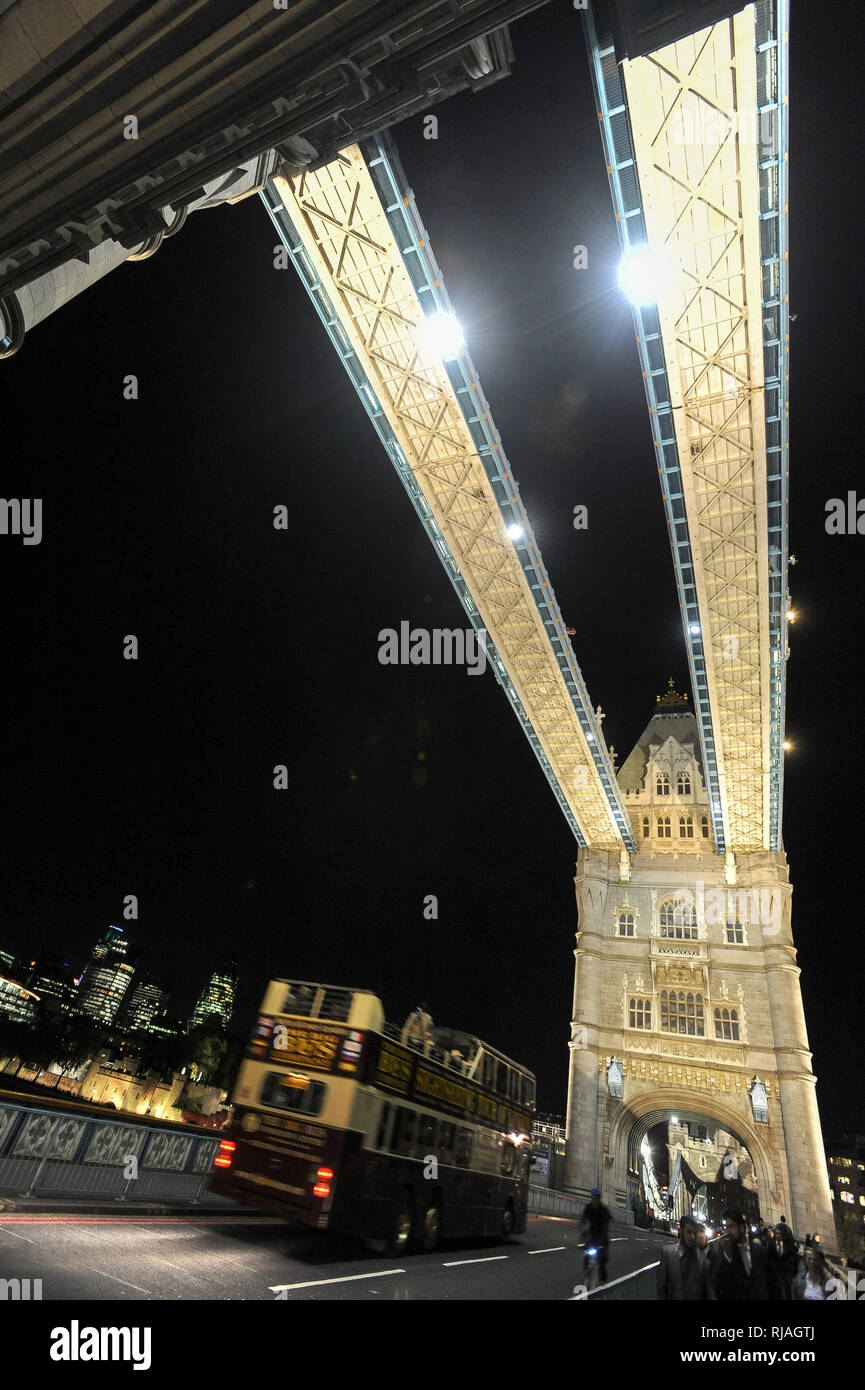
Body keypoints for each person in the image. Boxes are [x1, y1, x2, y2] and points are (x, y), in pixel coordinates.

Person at [708, 1208, 781, 1300]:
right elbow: (722, 1285)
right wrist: (728, 1257)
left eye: (731, 1227)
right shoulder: (724, 1255)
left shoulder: (760, 1251)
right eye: (726, 1228)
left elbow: (773, 1283)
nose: (728, 1232)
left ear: (742, 1228)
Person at [657, 1216, 713, 1300]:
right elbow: (661, 1288)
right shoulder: (667, 1253)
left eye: (694, 1233)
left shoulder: (702, 1258)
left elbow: (709, 1290)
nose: (692, 1237)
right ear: (680, 1231)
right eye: (689, 1232)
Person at [579, 1188, 611, 1284]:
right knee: (586, 1255)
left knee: (602, 1261)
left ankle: (603, 1281)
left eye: (596, 1198)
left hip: (602, 1238)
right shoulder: (588, 1208)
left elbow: (605, 1227)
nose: (594, 1200)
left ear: (599, 1199)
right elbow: (583, 1220)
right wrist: (582, 1232)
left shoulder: (604, 1211)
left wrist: (602, 1243)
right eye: (593, 1198)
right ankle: (586, 1272)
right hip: (592, 1236)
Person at [774, 1216, 797, 1299]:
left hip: (787, 1275)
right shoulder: (772, 1245)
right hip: (776, 1276)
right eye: (776, 1233)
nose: (777, 1235)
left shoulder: (789, 1246)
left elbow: (794, 1261)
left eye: (779, 1233)